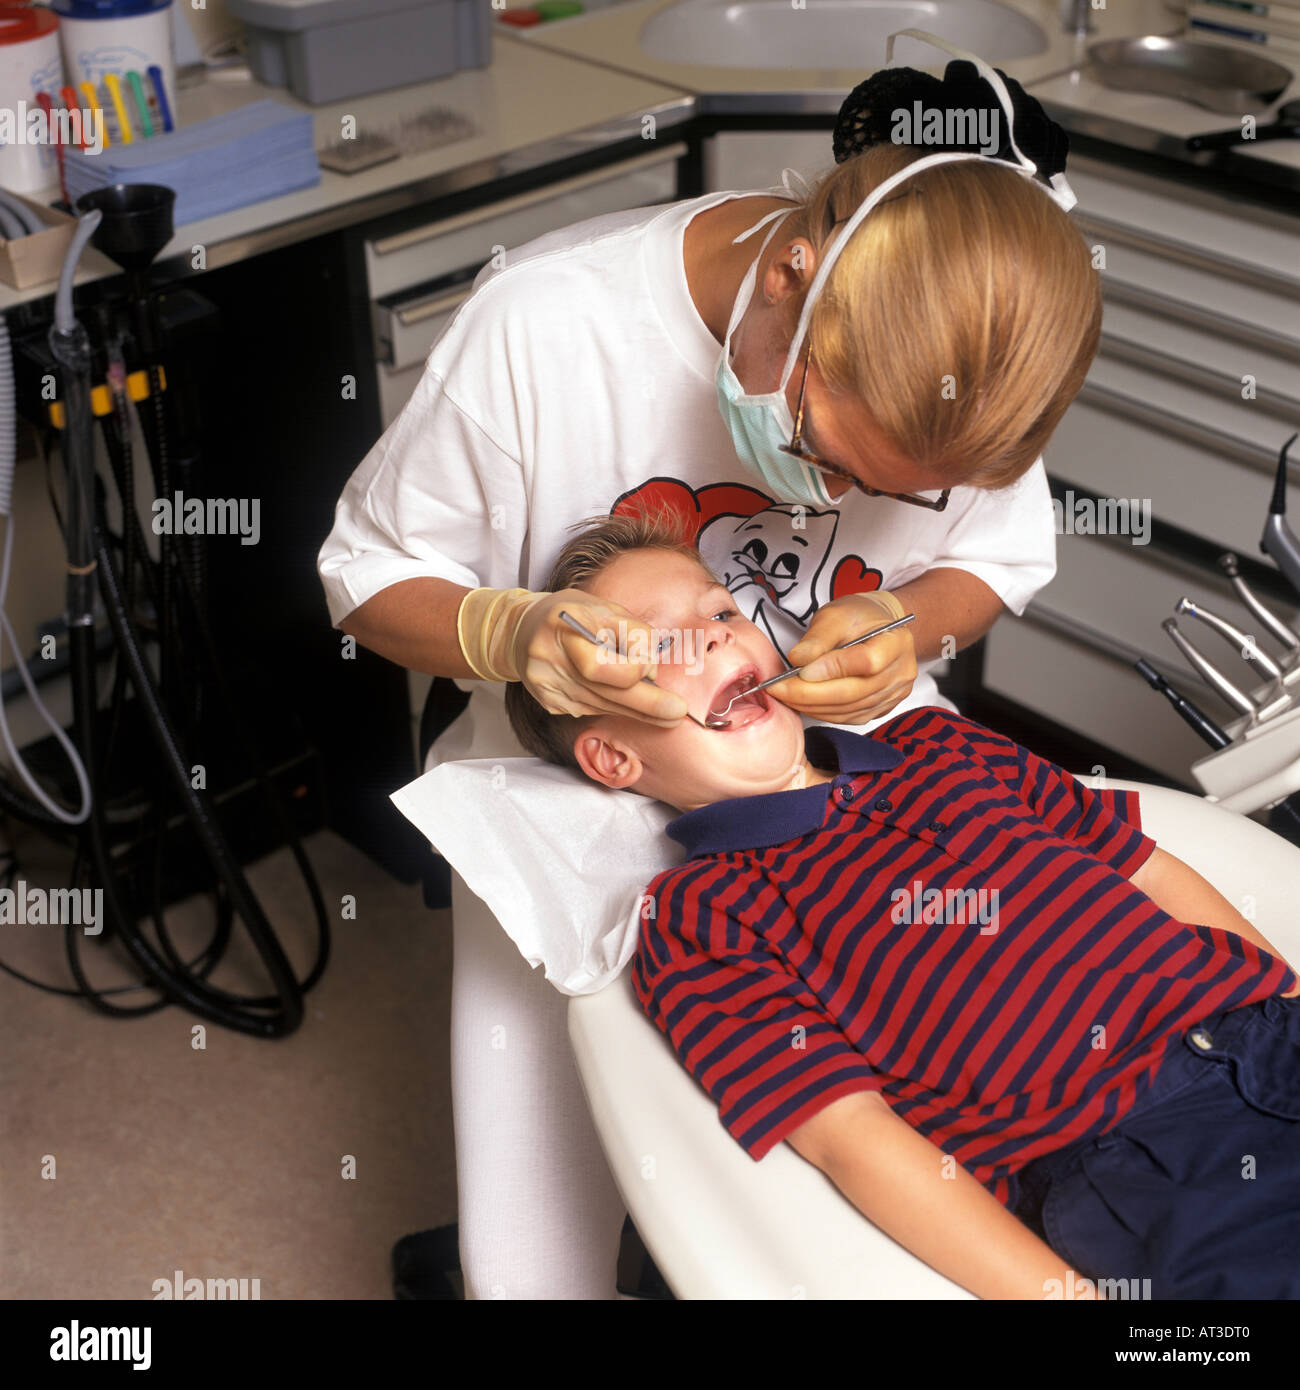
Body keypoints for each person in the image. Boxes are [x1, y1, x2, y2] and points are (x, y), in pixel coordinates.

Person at [318, 47, 1102, 1298]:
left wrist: (907, 621)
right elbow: (366, 578)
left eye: (889, 493)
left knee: (959, 1105)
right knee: (540, 1217)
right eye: (818, 448)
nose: (837, 501)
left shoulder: (969, 347)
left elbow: (997, 559)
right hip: (563, 807)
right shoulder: (550, 323)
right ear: (792, 272)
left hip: (860, 766)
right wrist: (504, 634)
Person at [504, 511, 1300, 1301]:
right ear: (612, 756)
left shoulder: (945, 746)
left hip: (1270, 1033)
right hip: (1140, 1159)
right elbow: (851, 1138)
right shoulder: (700, 918)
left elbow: (1151, 870)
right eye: (657, 643)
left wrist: (1288, 995)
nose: (713, 635)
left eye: (720, 611)